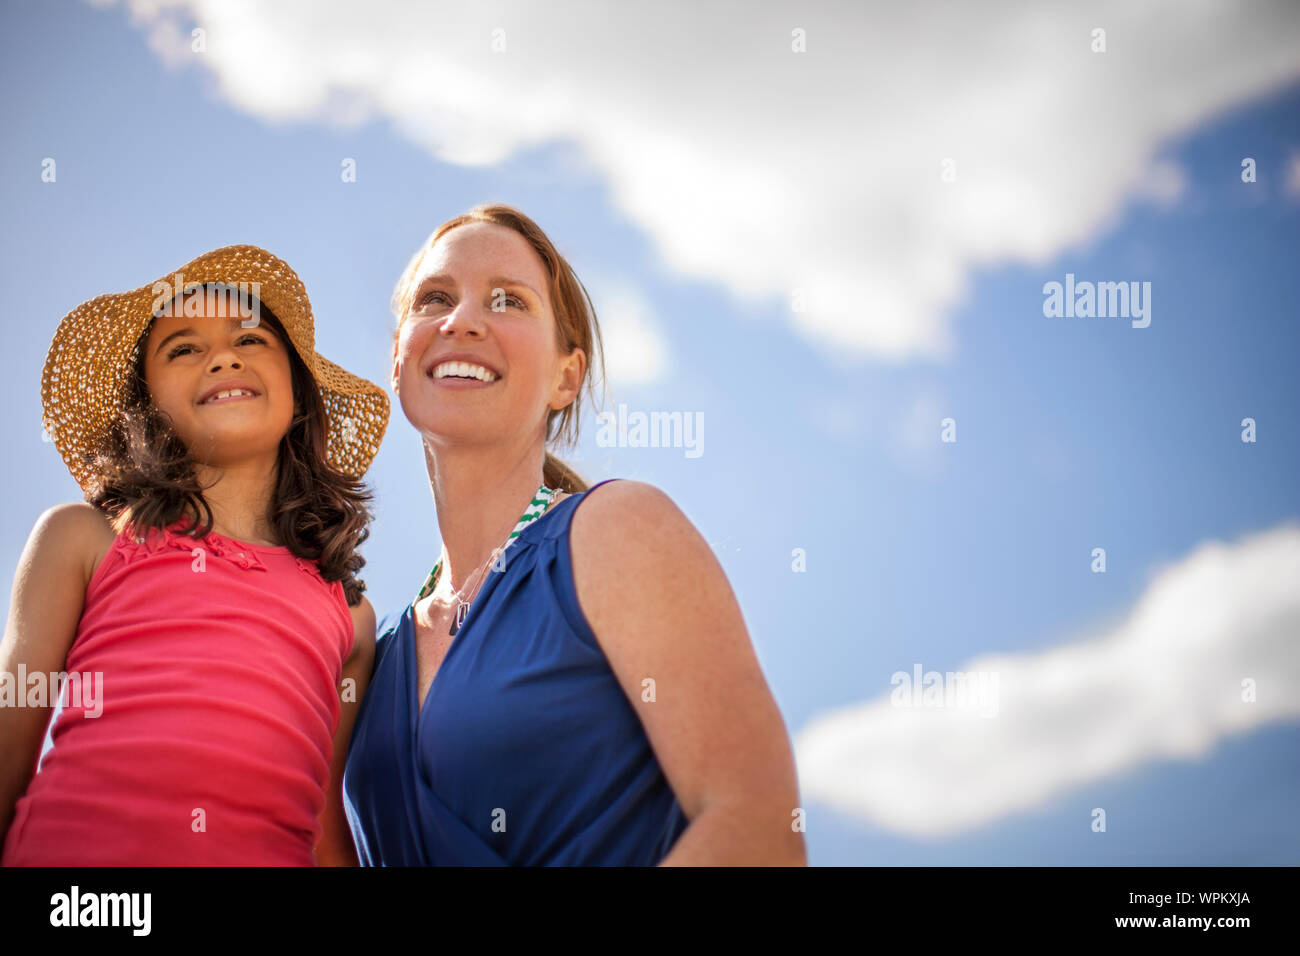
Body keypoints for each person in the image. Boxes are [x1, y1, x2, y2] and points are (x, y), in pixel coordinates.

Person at [343, 204, 806, 865]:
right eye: (435, 298)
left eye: (508, 301)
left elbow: (756, 825)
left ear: (567, 377)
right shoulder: (371, 650)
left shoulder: (617, 531)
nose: (463, 319)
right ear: (397, 358)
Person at [0, 245, 389, 865]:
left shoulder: (350, 614)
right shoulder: (85, 539)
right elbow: (9, 742)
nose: (223, 357)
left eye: (252, 339)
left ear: (298, 394)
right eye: (183, 348)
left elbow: (324, 827)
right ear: (145, 404)